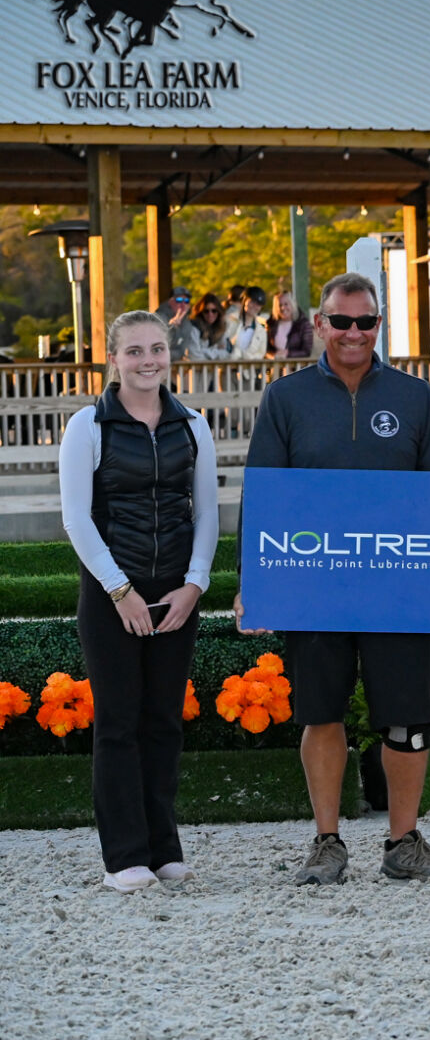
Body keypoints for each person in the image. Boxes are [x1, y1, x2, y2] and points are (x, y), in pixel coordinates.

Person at [236, 271, 430, 884]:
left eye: (366, 321)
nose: (354, 332)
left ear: (379, 325)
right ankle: (327, 842)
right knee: (319, 714)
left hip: (399, 587)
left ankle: (403, 842)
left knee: (407, 718)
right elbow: (262, 497)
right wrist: (254, 581)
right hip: (315, 585)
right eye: (341, 320)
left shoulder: (414, 397)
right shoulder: (285, 398)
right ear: (319, 324)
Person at [58, 310, 219, 893]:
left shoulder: (194, 425)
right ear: (113, 359)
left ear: (170, 354)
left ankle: (164, 848)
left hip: (177, 593)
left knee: (163, 724)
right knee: (119, 725)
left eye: (157, 349)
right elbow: (76, 519)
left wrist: (194, 585)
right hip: (111, 596)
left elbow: (206, 513)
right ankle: (124, 855)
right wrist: (120, 590)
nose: (148, 360)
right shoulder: (87, 426)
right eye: (135, 351)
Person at [180, 293, 231, 360]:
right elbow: (194, 355)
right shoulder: (194, 327)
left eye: (214, 311)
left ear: (219, 312)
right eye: (206, 311)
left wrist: (203, 351)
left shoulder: (221, 327)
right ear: (201, 312)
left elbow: (227, 354)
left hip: (213, 369)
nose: (210, 314)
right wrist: (216, 351)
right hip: (196, 369)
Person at [266, 289, 313, 359]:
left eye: (286, 304)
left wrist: (288, 354)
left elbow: (306, 351)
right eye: (280, 305)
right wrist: (274, 355)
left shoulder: (304, 324)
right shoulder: (271, 324)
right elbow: (267, 350)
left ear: (292, 305)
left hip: (298, 368)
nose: (283, 308)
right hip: (276, 367)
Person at [227, 286, 267, 359]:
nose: (255, 306)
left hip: (249, 369)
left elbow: (261, 354)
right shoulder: (229, 320)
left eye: (258, 304)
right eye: (252, 301)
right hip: (228, 367)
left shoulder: (261, 330)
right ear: (244, 300)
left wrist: (248, 357)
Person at [154, 285, 193, 361]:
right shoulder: (158, 318)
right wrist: (171, 327)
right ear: (170, 301)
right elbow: (157, 350)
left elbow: (182, 351)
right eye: (179, 300)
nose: (182, 304)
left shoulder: (187, 324)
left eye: (186, 301)